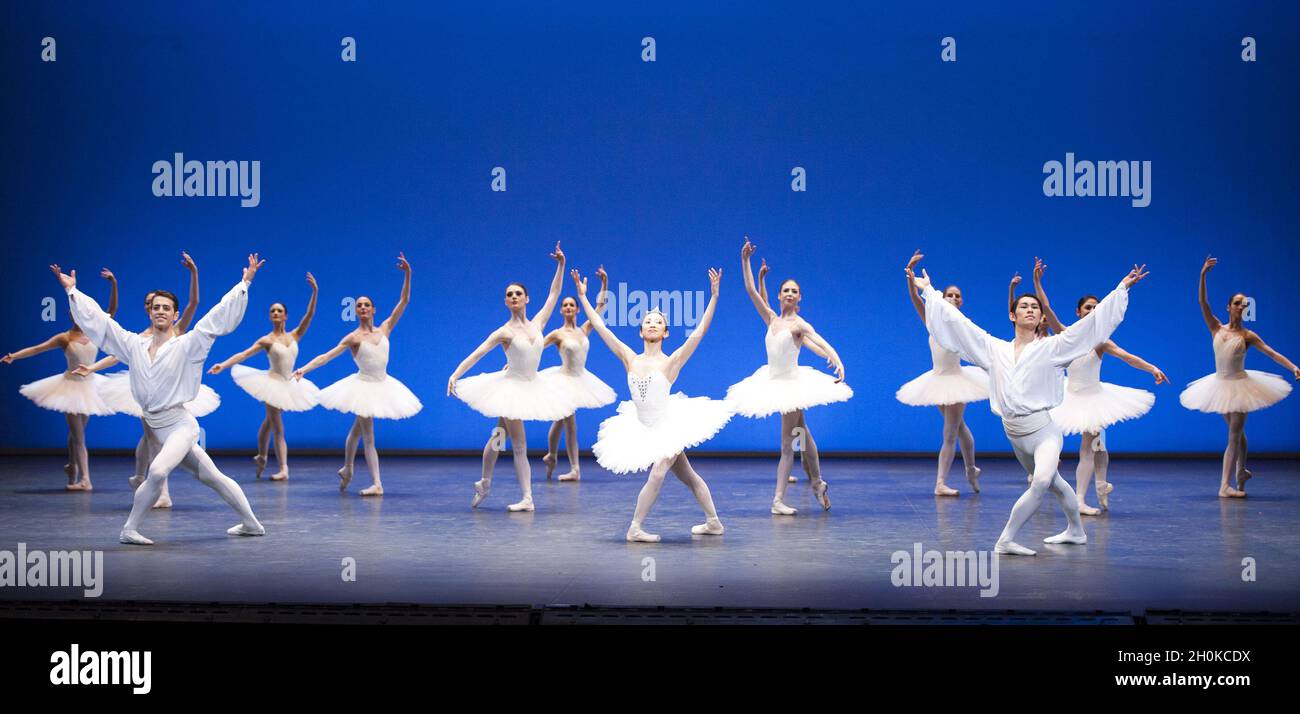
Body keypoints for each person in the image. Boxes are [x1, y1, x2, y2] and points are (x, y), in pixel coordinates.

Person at [908, 252, 1148, 556]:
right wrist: (928, 290)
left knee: (1041, 480)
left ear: (1042, 317)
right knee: (1056, 484)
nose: (1030, 310)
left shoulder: (1052, 348)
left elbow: (1088, 329)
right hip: (1014, 435)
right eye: (1024, 306)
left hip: (1044, 431)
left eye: (1035, 306)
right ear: (1012, 315)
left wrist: (1121, 288)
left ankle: (1005, 539)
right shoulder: (993, 349)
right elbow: (959, 323)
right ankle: (1076, 531)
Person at [56, 255, 267, 545]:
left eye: (166, 308)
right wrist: (72, 291)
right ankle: (251, 523)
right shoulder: (134, 345)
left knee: (157, 469)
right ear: (149, 313)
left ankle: (129, 529)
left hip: (180, 424)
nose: (160, 311)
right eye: (156, 307)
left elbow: (215, 319)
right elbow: (103, 325)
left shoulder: (187, 345)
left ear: (175, 315)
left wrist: (244, 283)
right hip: (156, 424)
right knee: (212, 476)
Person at [574, 265, 732, 542]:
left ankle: (635, 527)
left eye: (657, 321)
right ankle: (713, 522)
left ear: (666, 333)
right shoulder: (629, 357)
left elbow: (699, 332)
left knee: (659, 471)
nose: (652, 324)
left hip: (668, 425)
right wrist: (583, 296)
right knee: (688, 475)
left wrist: (714, 296)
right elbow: (599, 327)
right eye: (647, 321)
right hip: (642, 426)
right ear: (640, 331)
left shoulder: (671, 361)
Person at [728, 238, 848, 513]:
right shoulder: (771, 318)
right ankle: (817, 483)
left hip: (792, 385)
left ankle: (778, 500)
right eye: (786, 290)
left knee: (787, 444)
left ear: (799, 298)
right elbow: (750, 291)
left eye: (795, 291)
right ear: (780, 295)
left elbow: (818, 341)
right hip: (773, 380)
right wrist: (745, 260)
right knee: (802, 435)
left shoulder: (798, 324)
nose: (790, 294)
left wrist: (837, 360)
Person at [295, 254, 420, 496]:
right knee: (368, 435)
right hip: (363, 387)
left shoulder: (385, 328)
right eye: (358, 305)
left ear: (373, 309)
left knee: (355, 432)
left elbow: (404, 301)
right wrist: (304, 369)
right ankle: (377, 484)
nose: (362, 307)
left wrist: (408, 273)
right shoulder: (353, 338)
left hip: (383, 384)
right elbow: (327, 356)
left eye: (366, 305)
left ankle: (348, 469)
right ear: (355, 311)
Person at [1180, 256, 1297, 497]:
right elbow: (1202, 301)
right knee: (1238, 433)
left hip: (1241, 386)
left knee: (1233, 434)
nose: (1240, 307)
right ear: (1228, 307)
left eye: (1244, 304)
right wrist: (1203, 275)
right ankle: (1241, 471)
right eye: (1237, 303)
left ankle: (1225, 485)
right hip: (1220, 385)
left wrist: (1294, 367)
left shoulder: (1248, 335)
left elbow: (1272, 354)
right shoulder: (1216, 327)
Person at [3, 268, 118, 490]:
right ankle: (85, 479)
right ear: (70, 315)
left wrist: (113, 283)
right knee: (79, 436)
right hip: (70, 388)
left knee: (77, 433)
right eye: (74, 312)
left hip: (91, 387)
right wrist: (14, 356)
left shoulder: (96, 331)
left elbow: (112, 310)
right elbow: (38, 348)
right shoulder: (64, 337)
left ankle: (71, 466)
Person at [209, 272, 321, 481]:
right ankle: (283, 468)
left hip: (288, 383)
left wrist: (314, 292)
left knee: (269, 423)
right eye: (273, 311)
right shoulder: (267, 340)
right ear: (270, 316)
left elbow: (310, 315)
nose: (276, 313)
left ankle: (261, 455)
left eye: (279, 311)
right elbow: (244, 353)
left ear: (286, 316)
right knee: (277, 425)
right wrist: (223, 365)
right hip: (271, 383)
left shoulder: (295, 335)